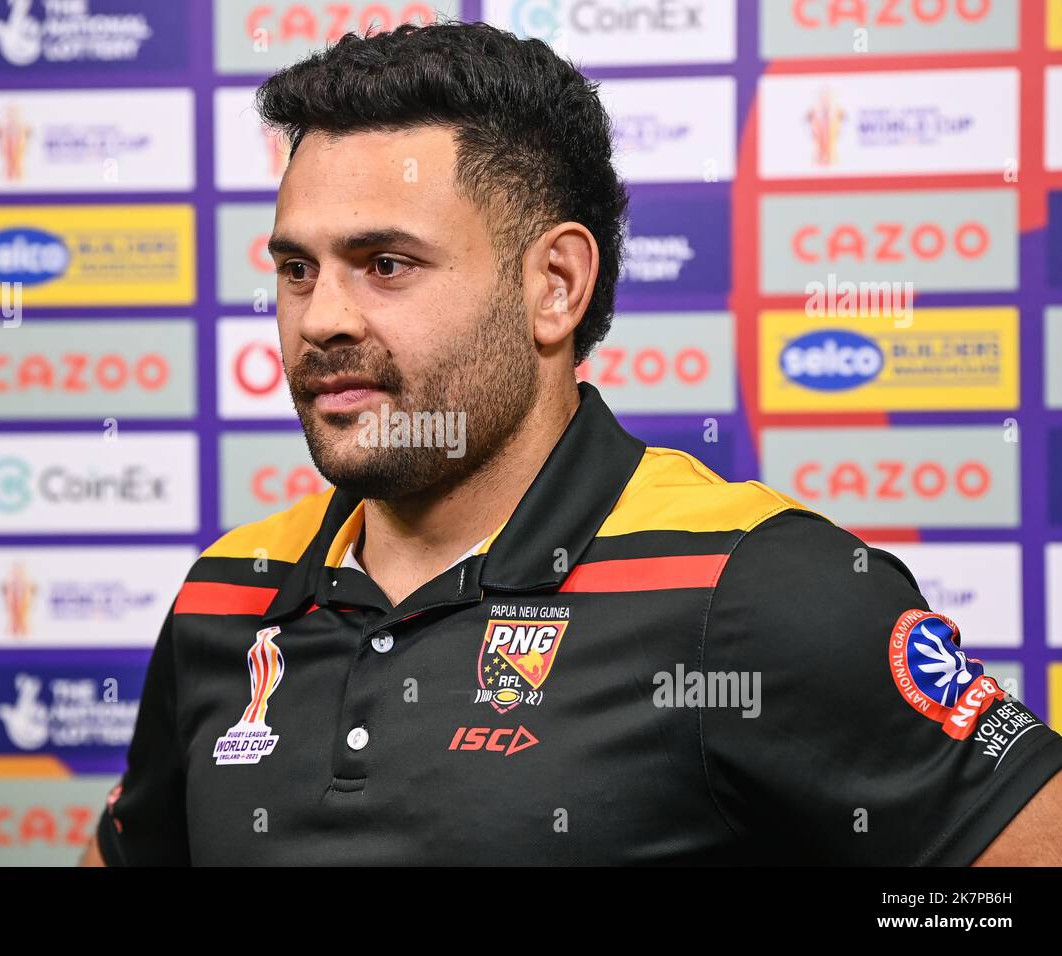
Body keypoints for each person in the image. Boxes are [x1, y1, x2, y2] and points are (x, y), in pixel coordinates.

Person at [80, 20, 1062, 865]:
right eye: (297, 269)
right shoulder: (226, 590)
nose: (321, 317)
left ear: (554, 285)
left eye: (386, 263)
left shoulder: (759, 586)